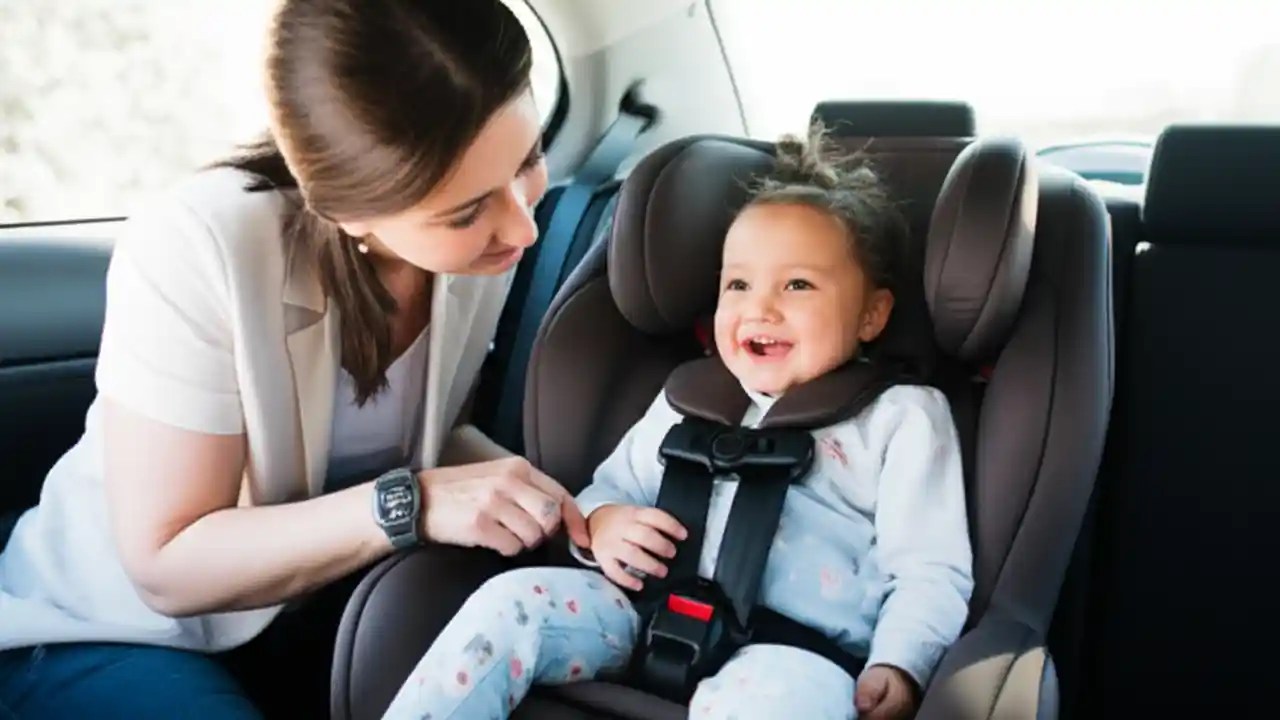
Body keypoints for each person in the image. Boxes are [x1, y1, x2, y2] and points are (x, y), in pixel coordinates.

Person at [0, 1, 590, 718]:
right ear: (347, 212)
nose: (522, 226)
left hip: (312, 618)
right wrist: (416, 502)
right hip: (118, 628)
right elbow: (167, 564)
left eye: (528, 159)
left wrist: (559, 508)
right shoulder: (201, 242)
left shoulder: (479, 251)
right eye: (465, 213)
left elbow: (420, 439)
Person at [380, 128, 976, 720]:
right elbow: (609, 492)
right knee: (509, 605)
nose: (759, 308)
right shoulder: (690, 397)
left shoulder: (901, 418)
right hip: (637, 611)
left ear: (872, 313)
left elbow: (928, 567)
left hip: (792, 650)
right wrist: (606, 525)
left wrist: (901, 663)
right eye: (738, 284)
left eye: (797, 284)